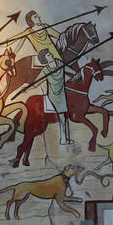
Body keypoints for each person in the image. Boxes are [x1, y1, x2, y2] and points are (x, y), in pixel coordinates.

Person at [24, 11, 72, 146]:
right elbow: (37, 80)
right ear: (31, 20)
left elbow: (59, 35)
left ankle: (64, 138)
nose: (39, 17)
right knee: (60, 115)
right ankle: (63, 138)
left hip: (60, 89)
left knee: (63, 116)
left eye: (38, 15)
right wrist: (28, 88)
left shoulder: (59, 63)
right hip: (54, 93)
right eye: (35, 17)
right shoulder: (46, 69)